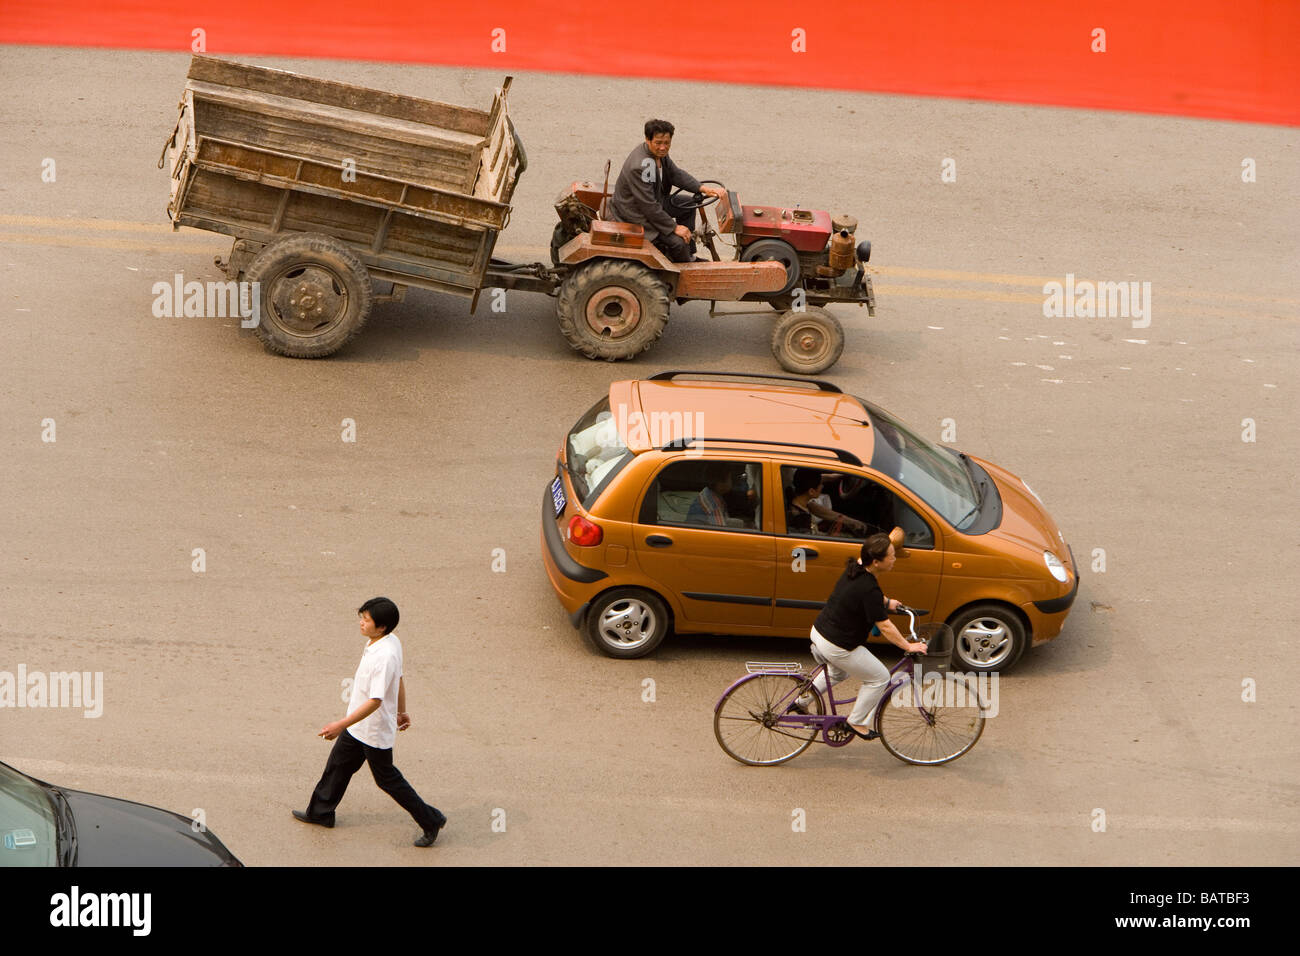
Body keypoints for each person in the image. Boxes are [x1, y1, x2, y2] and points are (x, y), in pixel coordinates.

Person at [292, 597, 447, 847]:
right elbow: (399, 679)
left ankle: (431, 820)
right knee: (338, 765)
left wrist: (340, 724)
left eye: (366, 619)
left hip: (372, 729)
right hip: (358, 726)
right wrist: (402, 711)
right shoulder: (387, 641)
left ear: (382, 626)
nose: (361, 623)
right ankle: (320, 813)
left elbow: (375, 700)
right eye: (361, 617)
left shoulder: (385, 655)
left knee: (387, 779)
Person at [796, 534, 927, 738]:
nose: (894, 559)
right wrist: (909, 646)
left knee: (838, 673)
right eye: (891, 556)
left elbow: (868, 594)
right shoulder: (869, 588)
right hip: (838, 644)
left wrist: (887, 601)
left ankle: (801, 702)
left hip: (820, 631)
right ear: (876, 562)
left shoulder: (857, 566)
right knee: (880, 678)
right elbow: (885, 626)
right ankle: (856, 722)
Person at [608, 119, 726, 263]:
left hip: (653, 202)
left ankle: (688, 253)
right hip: (635, 213)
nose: (663, 147)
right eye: (658, 143)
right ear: (647, 140)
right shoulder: (640, 166)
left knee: (687, 206)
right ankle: (684, 264)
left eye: (667, 143)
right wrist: (674, 227)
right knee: (678, 241)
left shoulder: (658, 154)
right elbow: (648, 206)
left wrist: (703, 188)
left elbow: (675, 173)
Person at [788, 468, 868, 536]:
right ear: (811, 491)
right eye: (820, 484)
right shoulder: (800, 518)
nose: (822, 486)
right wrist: (830, 536)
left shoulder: (801, 502)